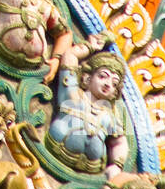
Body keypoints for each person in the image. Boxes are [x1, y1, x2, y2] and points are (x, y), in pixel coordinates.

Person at [48, 35, 130, 173]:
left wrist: (117, 165)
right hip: (57, 149)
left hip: (91, 168)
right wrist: (90, 46)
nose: (108, 84)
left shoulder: (110, 114)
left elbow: (120, 142)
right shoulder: (73, 94)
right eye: (102, 76)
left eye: (114, 84)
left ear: (115, 93)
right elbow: (69, 56)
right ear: (87, 78)